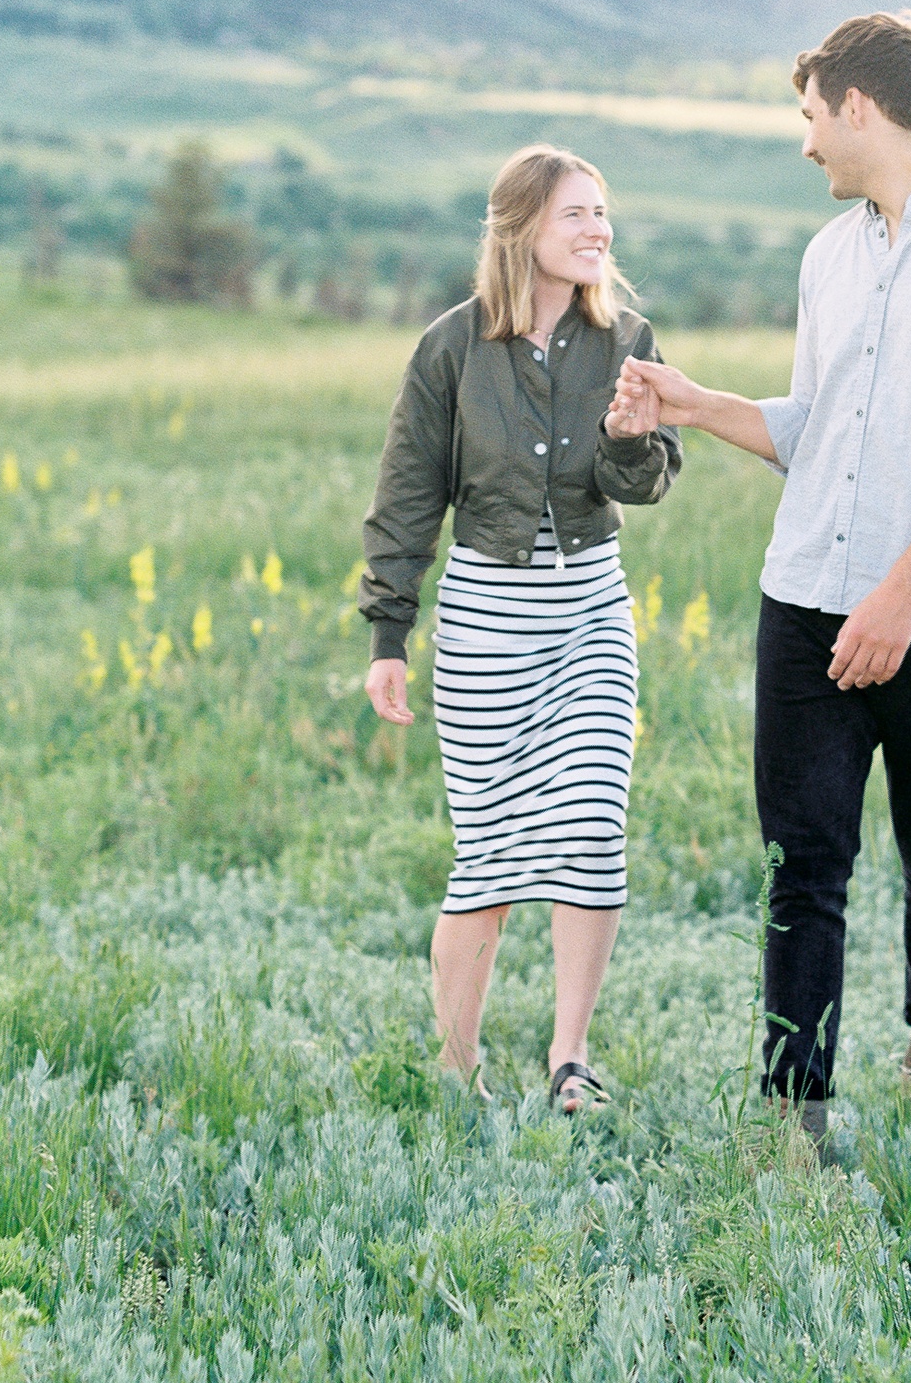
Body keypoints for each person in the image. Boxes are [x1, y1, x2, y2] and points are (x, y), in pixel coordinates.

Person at [611, 11, 911, 1143]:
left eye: (811, 115)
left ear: (859, 106)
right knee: (801, 868)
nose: (805, 141)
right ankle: (793, 1122)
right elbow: (817, 425)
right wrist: (694, 400)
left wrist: (900, 593)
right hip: (806, 607)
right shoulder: (828, 255)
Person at [360, 143, 680, 1111]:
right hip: (488, 622)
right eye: (577, 213)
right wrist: (388, 632)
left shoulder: (629, 336)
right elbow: (409, 491)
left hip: (589, 609)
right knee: (490, 857)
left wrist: (628, 440)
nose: (598, 229)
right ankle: (459, 1069)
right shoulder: (451, 348)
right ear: (522, 228)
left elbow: (653, 476)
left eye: (602, 213)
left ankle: (569, 1058)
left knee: (591, 828)